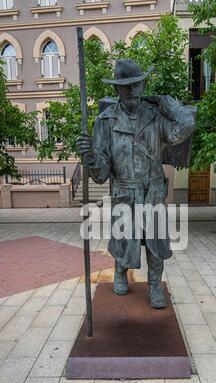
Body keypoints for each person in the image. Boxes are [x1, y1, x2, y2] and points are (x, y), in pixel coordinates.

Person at [77, 59, 196, 309]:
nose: (133, 90)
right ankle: (120, 272)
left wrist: (166, 101)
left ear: (143, 85)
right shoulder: (106, 121)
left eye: (137, 84)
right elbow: (100, 173)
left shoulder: (156, 115)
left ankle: (154, 285)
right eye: (126, 86)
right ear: (117, 89)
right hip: (124, 191)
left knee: (156, 243)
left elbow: (185, 125)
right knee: (123, 240)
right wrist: (89, 156)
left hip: (152, 191)